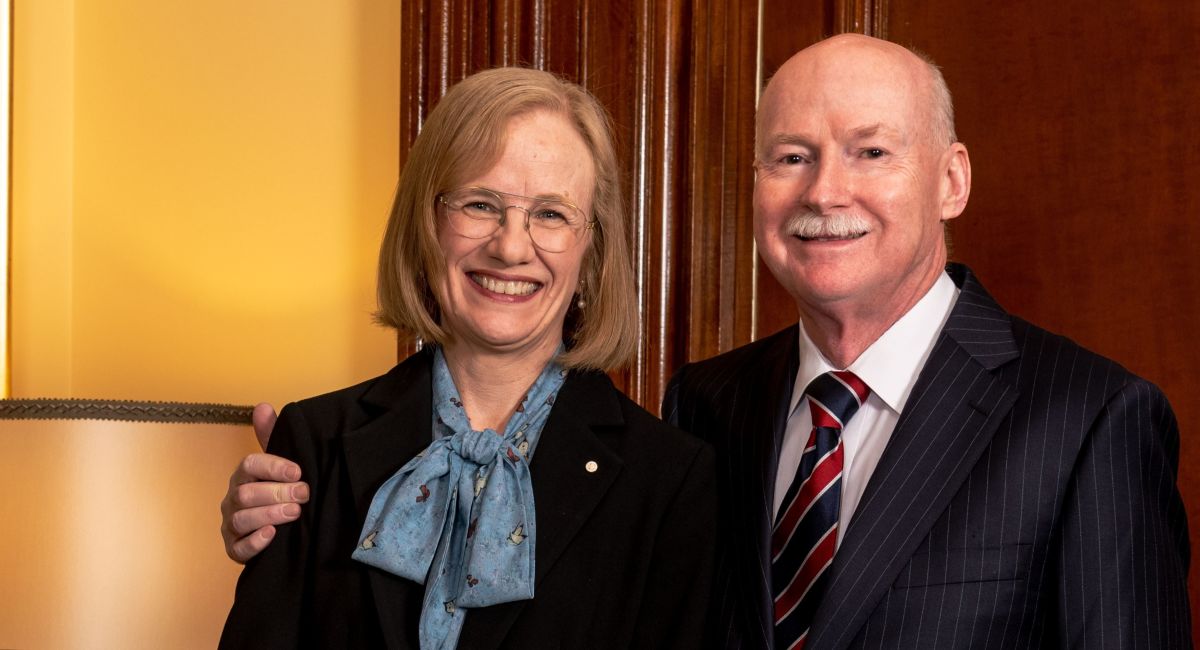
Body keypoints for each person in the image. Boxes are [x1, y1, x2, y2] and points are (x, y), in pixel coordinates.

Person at [223, 35, 1192, 648]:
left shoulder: (1090, 419)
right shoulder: (710, 409)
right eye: (792, 156)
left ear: (951, 180)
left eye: (871, 151)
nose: (825, 191)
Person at [218, 67, 715, 649]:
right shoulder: (316, 444)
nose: (510, 246)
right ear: (427, 225)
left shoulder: (670, 481)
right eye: (480, 204)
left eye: (551, 214)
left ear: (592, 253)